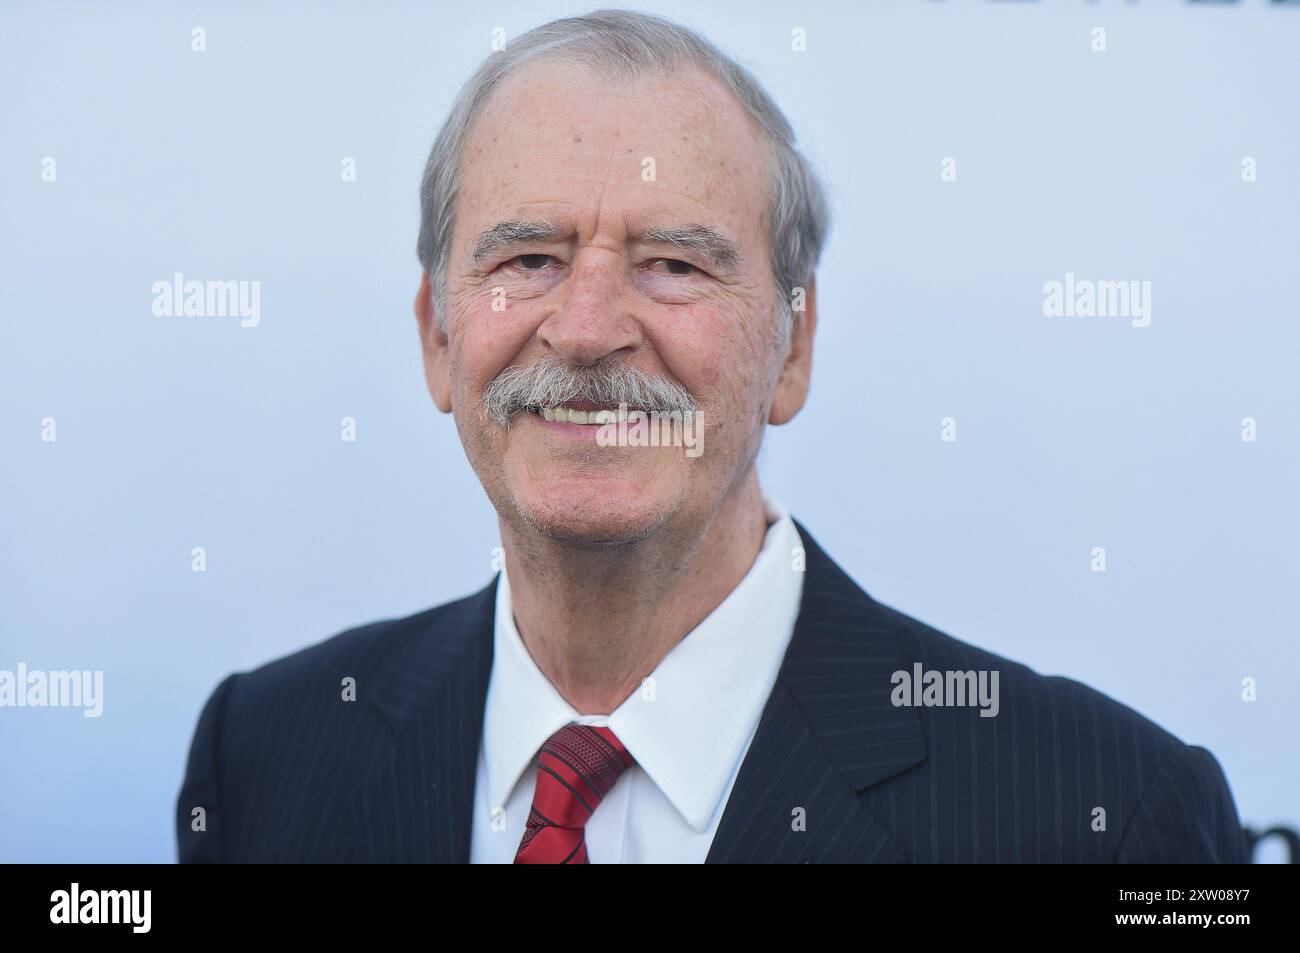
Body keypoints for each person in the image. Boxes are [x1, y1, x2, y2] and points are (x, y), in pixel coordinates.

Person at [176, 9, 1248, 863]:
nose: (588, 330)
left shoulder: (1098, 809)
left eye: (675, 264)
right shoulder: (266, 750)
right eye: (528, 259)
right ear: (435, 337)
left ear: (791, 347)